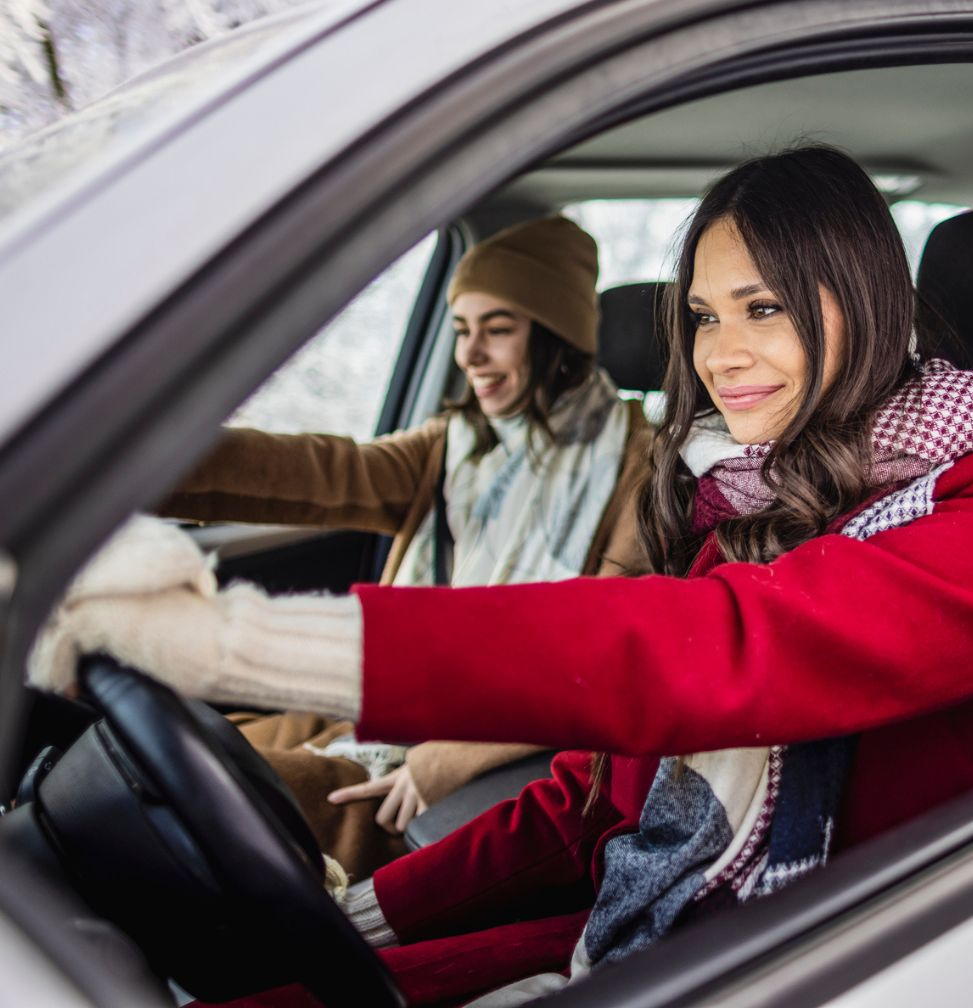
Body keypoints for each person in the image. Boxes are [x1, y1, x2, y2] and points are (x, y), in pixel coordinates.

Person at [30, 146, 973, 1007]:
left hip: (805, 957)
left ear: (866, 298)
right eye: (702, 314)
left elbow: (715, 650)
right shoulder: (749, 500)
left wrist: (238, 644)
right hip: (649, 920)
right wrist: (365, 919)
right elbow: (592, 802)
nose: (718, 353)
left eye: (765, 308)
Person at [156, 214, 652, 878]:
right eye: (460, 331)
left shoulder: (638, 467)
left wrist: (445, 757)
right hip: (382, 708)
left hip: (480, 750)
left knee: (187, 795)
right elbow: (314, 472)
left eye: (498, 330)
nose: (469, 356)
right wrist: (140, 463)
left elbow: (609, 649)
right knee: (159, 745)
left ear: (557, 336)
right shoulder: (457, 446)